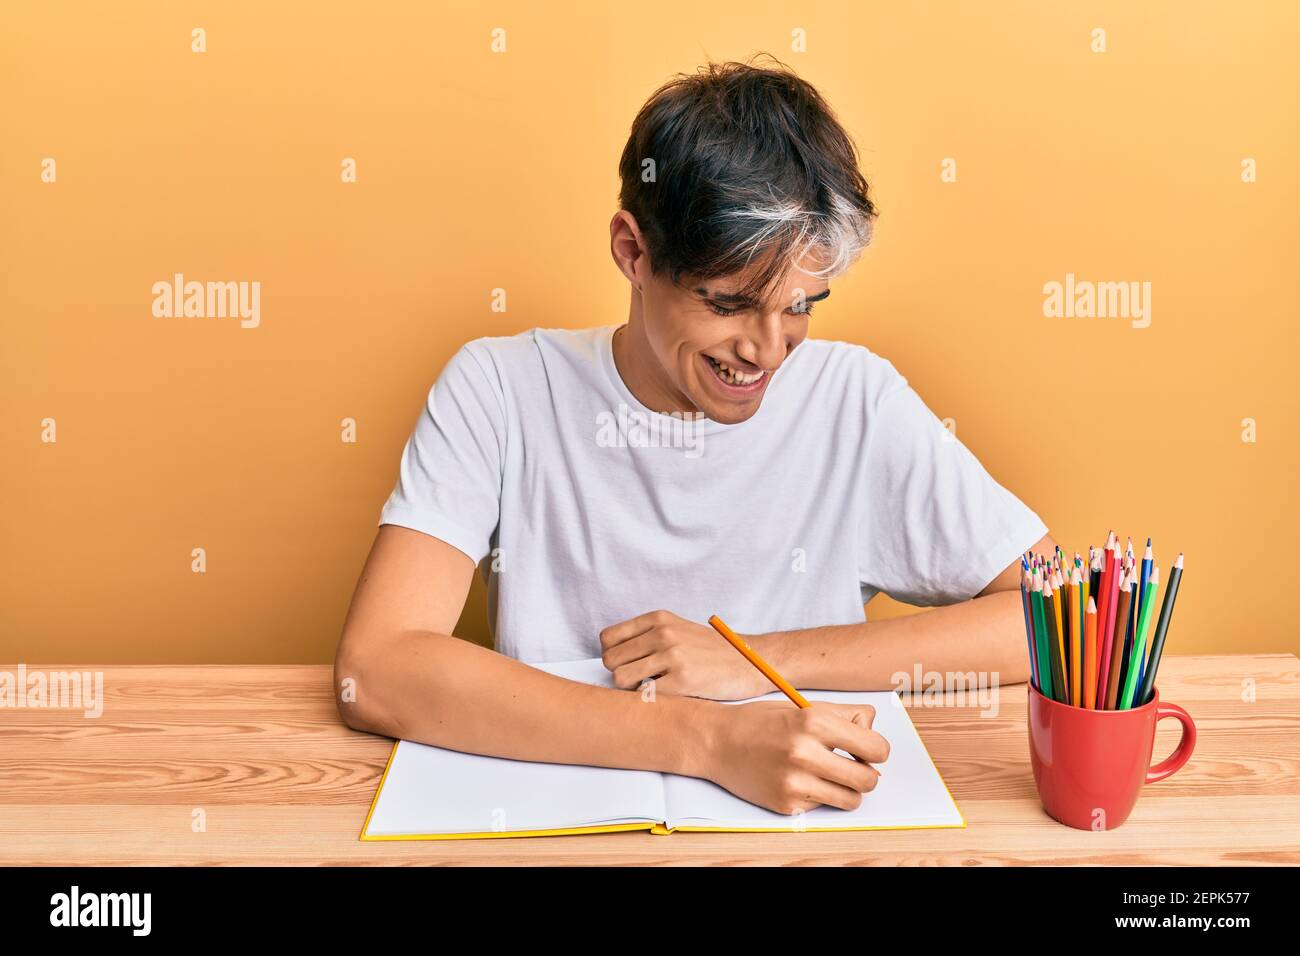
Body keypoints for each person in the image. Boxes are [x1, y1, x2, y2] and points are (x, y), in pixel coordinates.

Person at [335, 56, 1054, 816]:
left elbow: (1065, 621)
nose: (768, 350)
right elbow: (376, 668)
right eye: (730, 303)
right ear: (633, 252)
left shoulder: (855, 400)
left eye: (802, 307)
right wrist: (705, 741)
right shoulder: (501, 389)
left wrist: (753, 661)